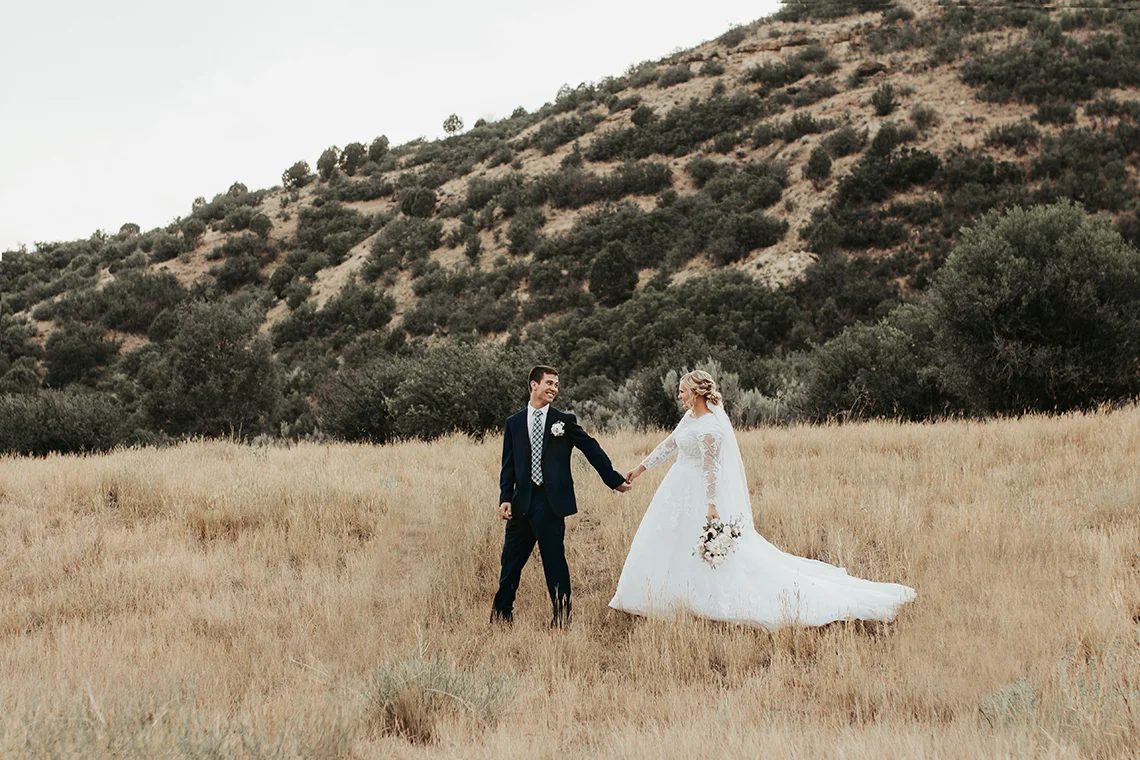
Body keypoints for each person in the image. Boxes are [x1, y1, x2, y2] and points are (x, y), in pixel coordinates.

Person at [610, 370, 915, 628]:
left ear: (698, 393)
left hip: (698, 492)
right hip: (674, 488)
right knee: (667, 541)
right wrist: (640, 468)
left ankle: (698, 599)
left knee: (699, 547)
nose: (679, 396)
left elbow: (711, 471)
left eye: (683, 391)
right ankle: (658, 597)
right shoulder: (690, 418)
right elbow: (669, 444)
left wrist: (712, 505)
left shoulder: (711, 429)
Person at [492, 365, 632, 628]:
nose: (554, 389)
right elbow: (508, 465)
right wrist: (505, 497)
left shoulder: (563, 420)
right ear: (534, 384)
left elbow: (591, 448)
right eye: (549, 383)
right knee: (510, 564)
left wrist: (612, 480)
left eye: (556, 385)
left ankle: (562, 619)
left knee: (555, 563)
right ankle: (501, 615)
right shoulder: (514, 423)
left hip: (550, 504)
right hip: (521, 502)